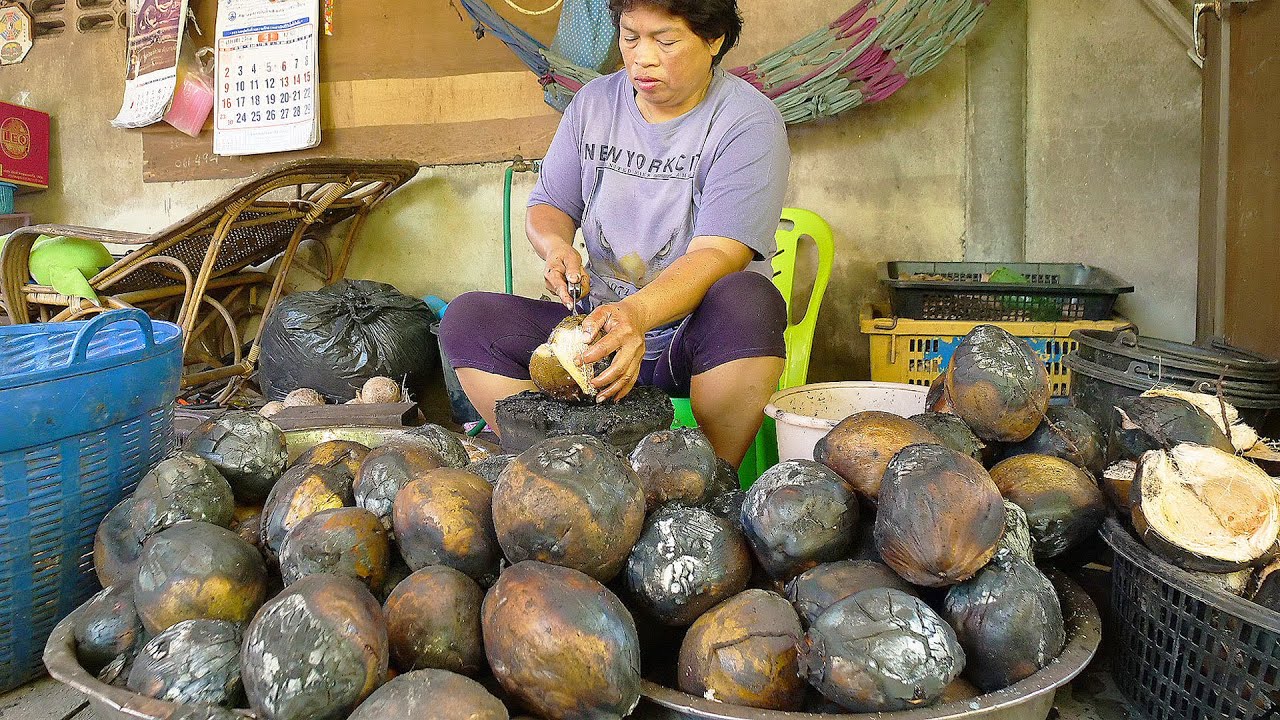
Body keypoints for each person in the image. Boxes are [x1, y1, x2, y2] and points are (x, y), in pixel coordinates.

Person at [440, 0, 791, 467]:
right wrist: (556, 246)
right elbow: (549, 205)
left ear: (714, 40)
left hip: (691, 339)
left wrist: (636, 316)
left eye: (665, 41)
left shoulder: (747, 121)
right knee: (468, 320)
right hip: (595, 335)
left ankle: (709, 483)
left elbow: (719, 252)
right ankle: (552, 469)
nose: (641, 57)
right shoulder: (594, 103)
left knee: (750, 300)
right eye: (630, 37)